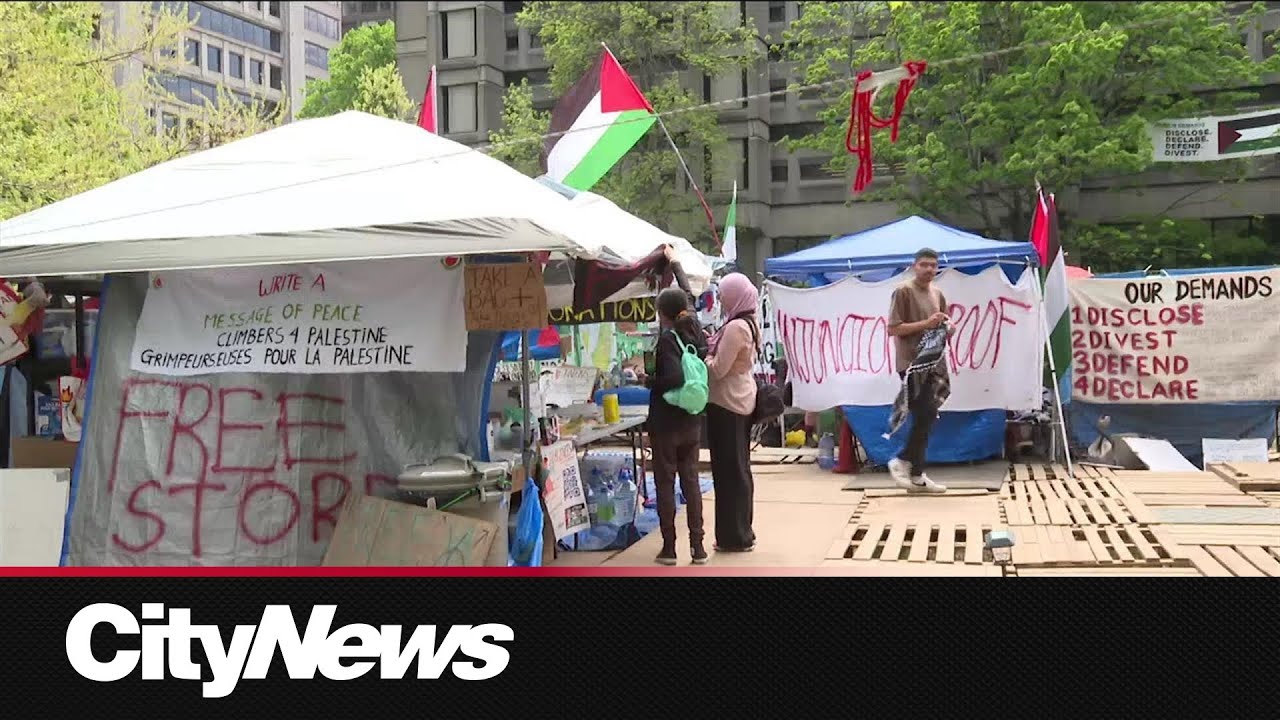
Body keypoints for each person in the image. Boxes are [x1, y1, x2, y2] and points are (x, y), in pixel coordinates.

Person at [644, 287, 710, 565]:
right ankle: (698, 547)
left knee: (665, 482)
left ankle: (669, 547)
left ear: (662, 314)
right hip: (692, 419)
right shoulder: (696, 334)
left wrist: (648, 381)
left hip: (667, 423)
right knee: (691, 481)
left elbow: (672, 378)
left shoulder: (669, 339)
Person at [886, 248, 953, 493]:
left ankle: (917, 474)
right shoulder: (903, 291)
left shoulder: (938, 293)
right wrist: (926, 323)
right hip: (912, 364)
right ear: (914, 266)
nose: (929, 270)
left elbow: (941, 323)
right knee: (924, 414)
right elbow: (893, 328)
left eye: (933, 266)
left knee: (927, 416)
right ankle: (902, 459)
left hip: (934, 362)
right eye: (924, 264)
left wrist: (948, 328)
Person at [704, 272, 760, 552]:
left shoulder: (736, 327)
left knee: (729, 474)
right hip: (740, 400)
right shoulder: (747, 321)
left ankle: (734, 537)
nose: (722, 299)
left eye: (725, 294)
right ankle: (741, 532)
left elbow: (717, 370)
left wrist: (704, 358)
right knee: (738, 470)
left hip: (728, 403)